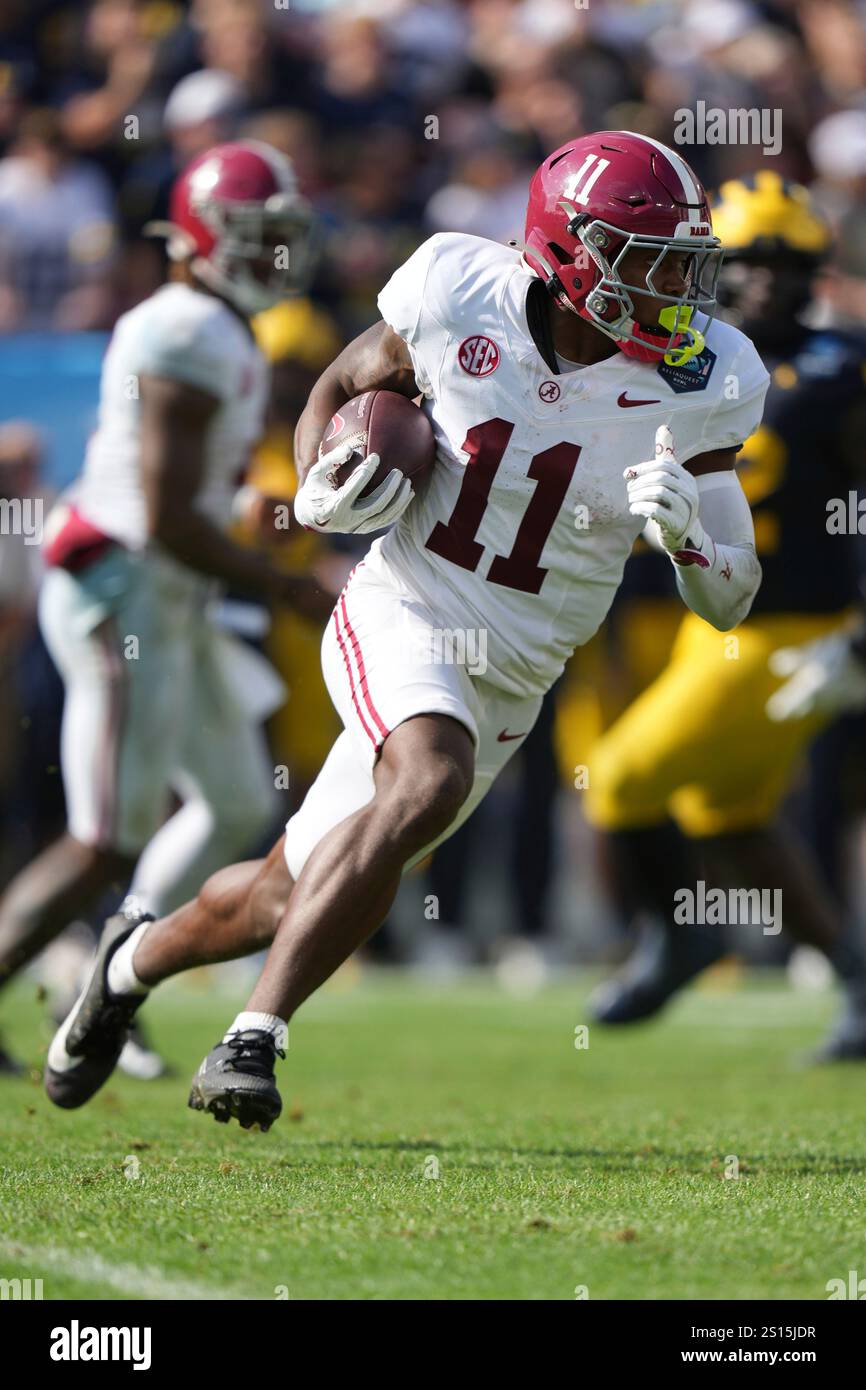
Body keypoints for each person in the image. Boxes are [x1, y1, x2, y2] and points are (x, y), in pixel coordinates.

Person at [45, 130, 768, 1131]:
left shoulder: (709, 377)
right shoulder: (452, 289)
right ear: (568, 253)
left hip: (518, 668)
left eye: (683, 265)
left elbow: (731, 598)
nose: (673, 289)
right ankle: (255, 1035)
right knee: (424, 778)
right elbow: (341, 388)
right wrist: (316, 487)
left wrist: (691, 540)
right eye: (646, 261)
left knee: (273, 892)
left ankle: (122, 964)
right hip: (408, 602)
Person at [0, 140, 327, 1065]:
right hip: (128, 589)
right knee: (106, 837)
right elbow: (166, 516)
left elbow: (188, 501)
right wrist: (286, 584)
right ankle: (93, 977)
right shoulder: (184, 328)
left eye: (280, 239)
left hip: (168, 589)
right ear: (194, 238)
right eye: (255, 238)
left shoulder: (216, 326)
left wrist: (246, 512)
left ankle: (112, 967)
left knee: (230, 800)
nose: (271, 258)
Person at [583, 173, 866, 1059]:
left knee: (621, 778)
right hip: (714, 620)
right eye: (748, 261)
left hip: (785, 629)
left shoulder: (840, 369)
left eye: (790, 262)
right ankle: (858, 986)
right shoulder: (682, 360)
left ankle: (679, 940)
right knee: (727, 816)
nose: (768, 281)